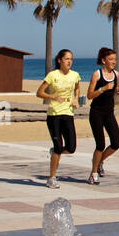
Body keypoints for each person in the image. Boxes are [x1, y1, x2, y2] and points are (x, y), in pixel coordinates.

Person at [37, 49, 81, 189]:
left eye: (71, 59)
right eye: (67, 59)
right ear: (59, 60)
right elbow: (39, 93)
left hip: (68, 114)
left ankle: (55, 152)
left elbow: (77, 89)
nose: (69, 61)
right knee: (58, 146)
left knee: (71, 148)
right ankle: (51, 178)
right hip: (54, 114)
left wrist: (76, 100)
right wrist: (53, 97)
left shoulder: (75, 75)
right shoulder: (52, 75)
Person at [87, 47, 119, 184]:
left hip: (109, 112)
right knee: (100, 144)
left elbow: (115, 88)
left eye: (115, 59)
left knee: (116, 143)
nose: (114, 61)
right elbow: (90, 95)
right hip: (96, 112)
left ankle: (100, 161)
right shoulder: (97, 74)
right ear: (103, 60)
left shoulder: (116, 74)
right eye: (111, 59)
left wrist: (117, 91)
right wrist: (103, 89)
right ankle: (93, 173)